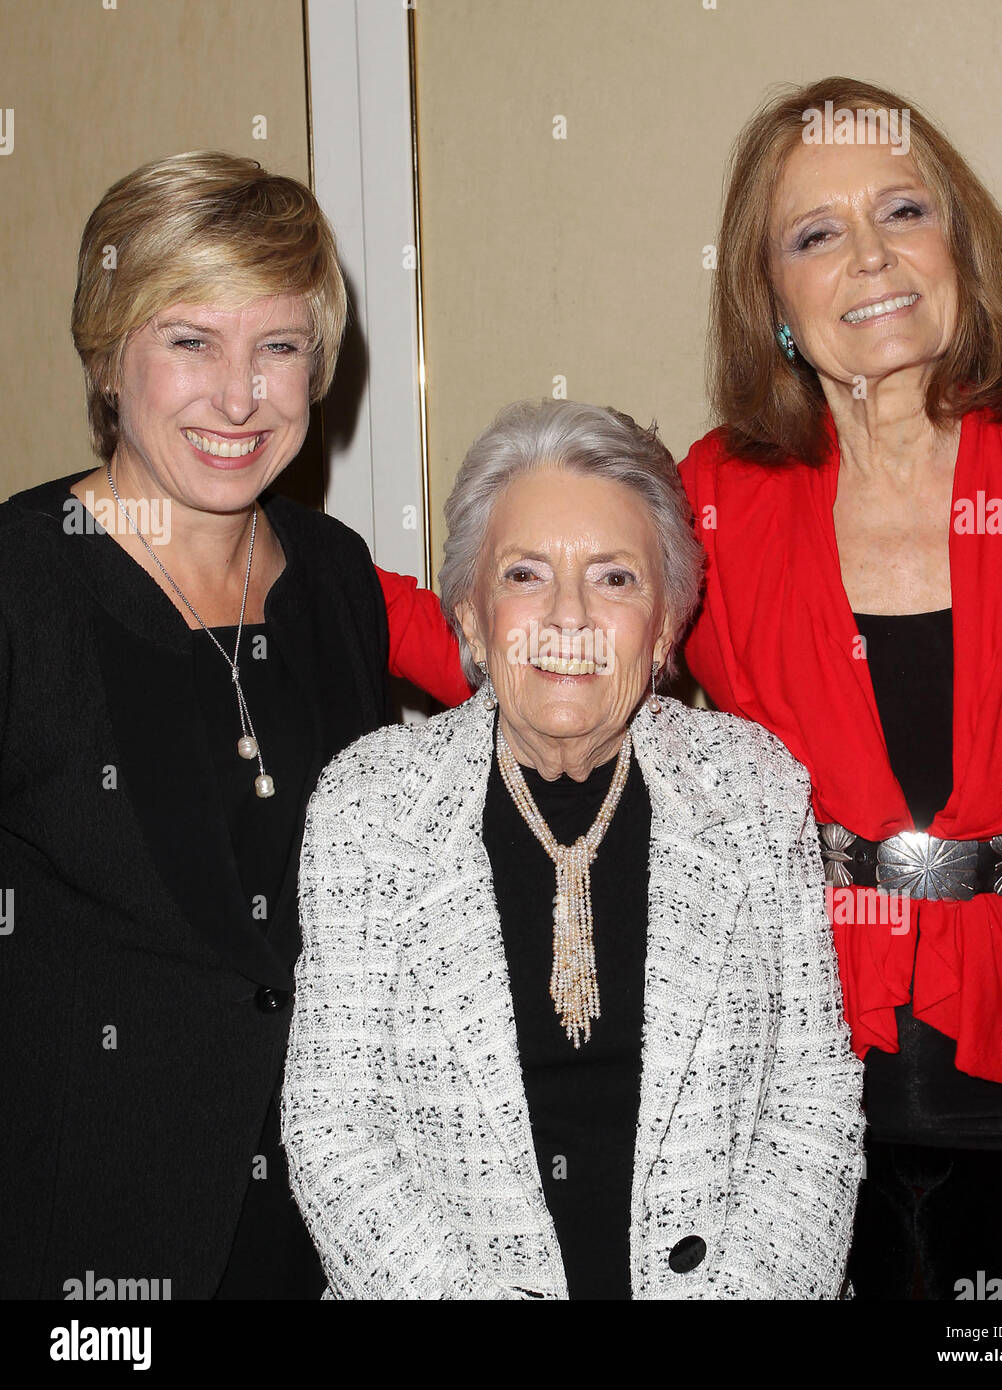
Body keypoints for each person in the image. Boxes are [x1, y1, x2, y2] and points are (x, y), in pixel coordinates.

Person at [679, 76, 1002, 1299]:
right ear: (771, 298)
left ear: (960, 247)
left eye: (904, 211)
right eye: (815, 234)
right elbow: (539, 641)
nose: (870, 255)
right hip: (796, 1113)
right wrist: (285, 569)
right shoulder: (706, 507)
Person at [0, 151, 470, 1299]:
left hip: (325, 1230)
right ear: (110, 356)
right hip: (81, 1242)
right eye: (189, 341)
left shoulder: (336, 577)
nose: (239, 396)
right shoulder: (19, 586)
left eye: (279, 347)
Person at [281, 398, 864, 1300]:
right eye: (524, 574)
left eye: (615, 580)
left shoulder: (755, 790)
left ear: (667, 625)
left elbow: (813, 1105)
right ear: (469, 615)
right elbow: (335, 1128)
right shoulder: (369, 809)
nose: (568, 617)